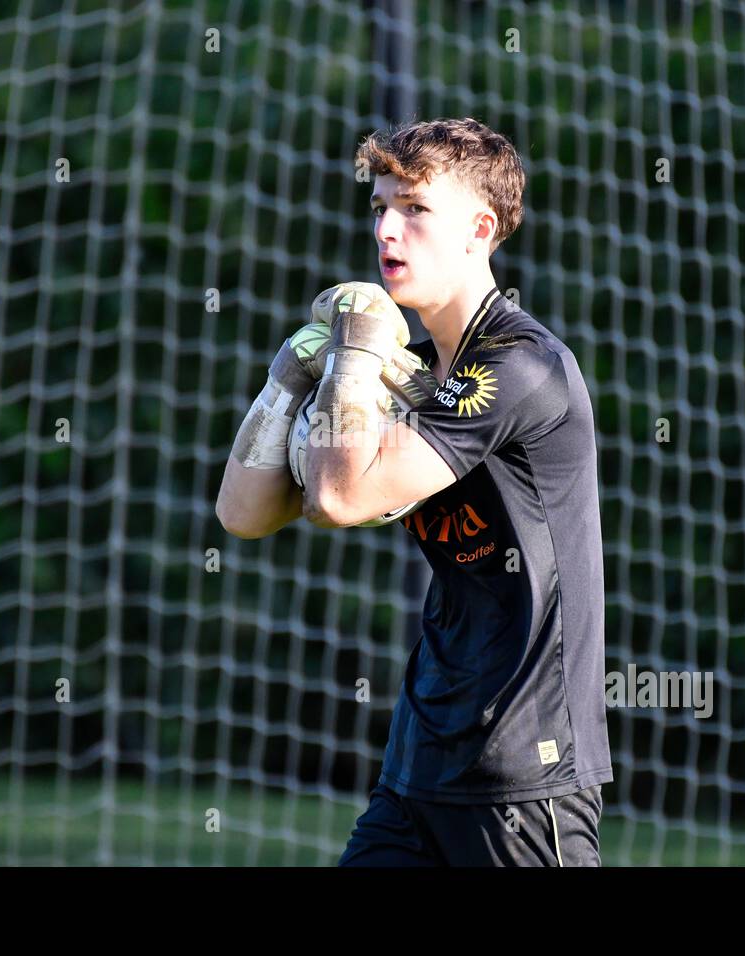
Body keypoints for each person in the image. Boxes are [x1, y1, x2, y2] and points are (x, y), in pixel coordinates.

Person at [217, 117, 611, 866]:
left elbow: (338, 499)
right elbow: (241, 514)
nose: (387, 230)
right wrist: (285, 382)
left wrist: (358, 347)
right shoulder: (404, 370)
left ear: (479, 229)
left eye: (415, 209)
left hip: (527, 777)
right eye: (380, 207)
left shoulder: (522, 368)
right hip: (419, 766)